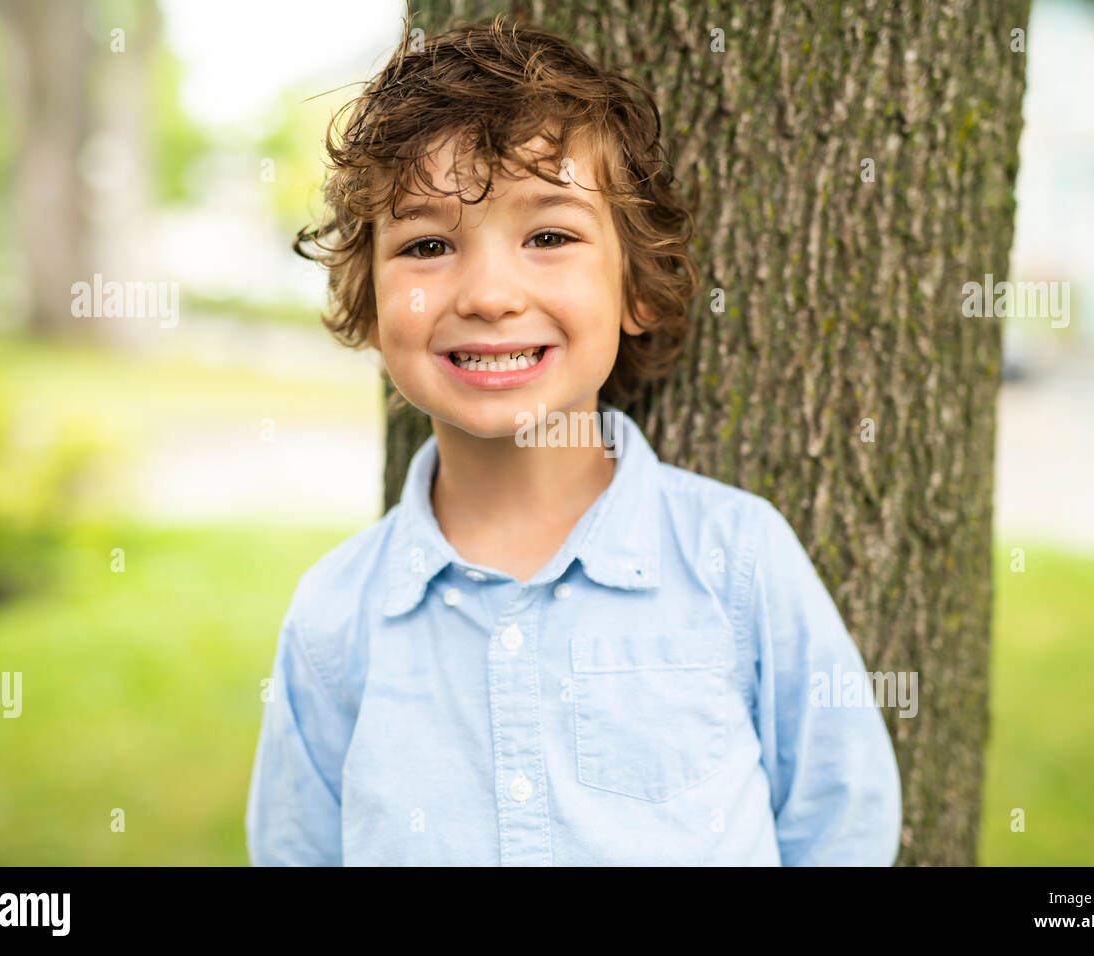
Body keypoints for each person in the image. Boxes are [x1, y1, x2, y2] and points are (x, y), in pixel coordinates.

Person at [245, 13, 901, 866]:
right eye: (428, 243)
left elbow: (841, 826)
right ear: (369, 305)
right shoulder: (334, 619)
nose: (488, 293)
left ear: (637, 284)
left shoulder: (737, 563)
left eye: (548, 235)